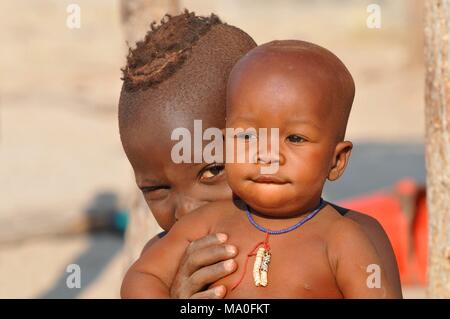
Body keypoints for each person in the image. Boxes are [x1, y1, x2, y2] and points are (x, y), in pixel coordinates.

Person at [120, 39, 403, 298]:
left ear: (337, 160)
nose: (267, 156)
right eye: (247, 137)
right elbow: (142, 278)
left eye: (295, 138)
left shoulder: (346, 238)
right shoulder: (203, 224)